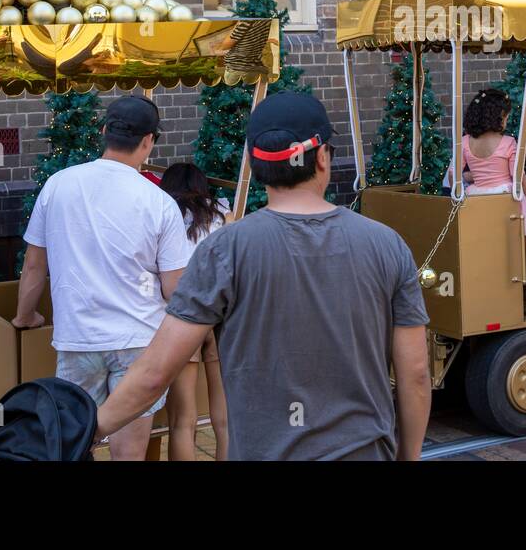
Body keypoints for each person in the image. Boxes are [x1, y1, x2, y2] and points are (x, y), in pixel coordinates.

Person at [94, 92, 432, 460]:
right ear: (322, 158)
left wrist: (86, 428)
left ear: (256, 166)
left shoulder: (225, 250)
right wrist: (408, 456)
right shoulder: (387, 245)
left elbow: (154, 374)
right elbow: (414, 374)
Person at [11, 95, 193, 461]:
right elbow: (175, 289)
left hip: (78, 339)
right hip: (140, 342)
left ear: (104, 130)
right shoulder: (159, 202)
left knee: (72, 445)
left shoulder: (58, 186)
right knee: (129, 453)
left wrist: (25, 317)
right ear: (149, 141)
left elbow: (33, 267)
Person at [448, 88, 526, 309]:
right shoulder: (509, 143)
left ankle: (486, 291)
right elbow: (519, 177)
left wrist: (472, 176)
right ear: (498, 116)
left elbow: (454, 174)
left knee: (487, 247)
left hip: (478, 199)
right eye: (506, 116)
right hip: (506, 199)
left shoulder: (464, 142)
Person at [158, 163, 230, 461]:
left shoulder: (163, 214)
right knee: (225, 420)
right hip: (220, 316)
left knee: (182, 422)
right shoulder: (223, 214)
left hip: (181, 317)